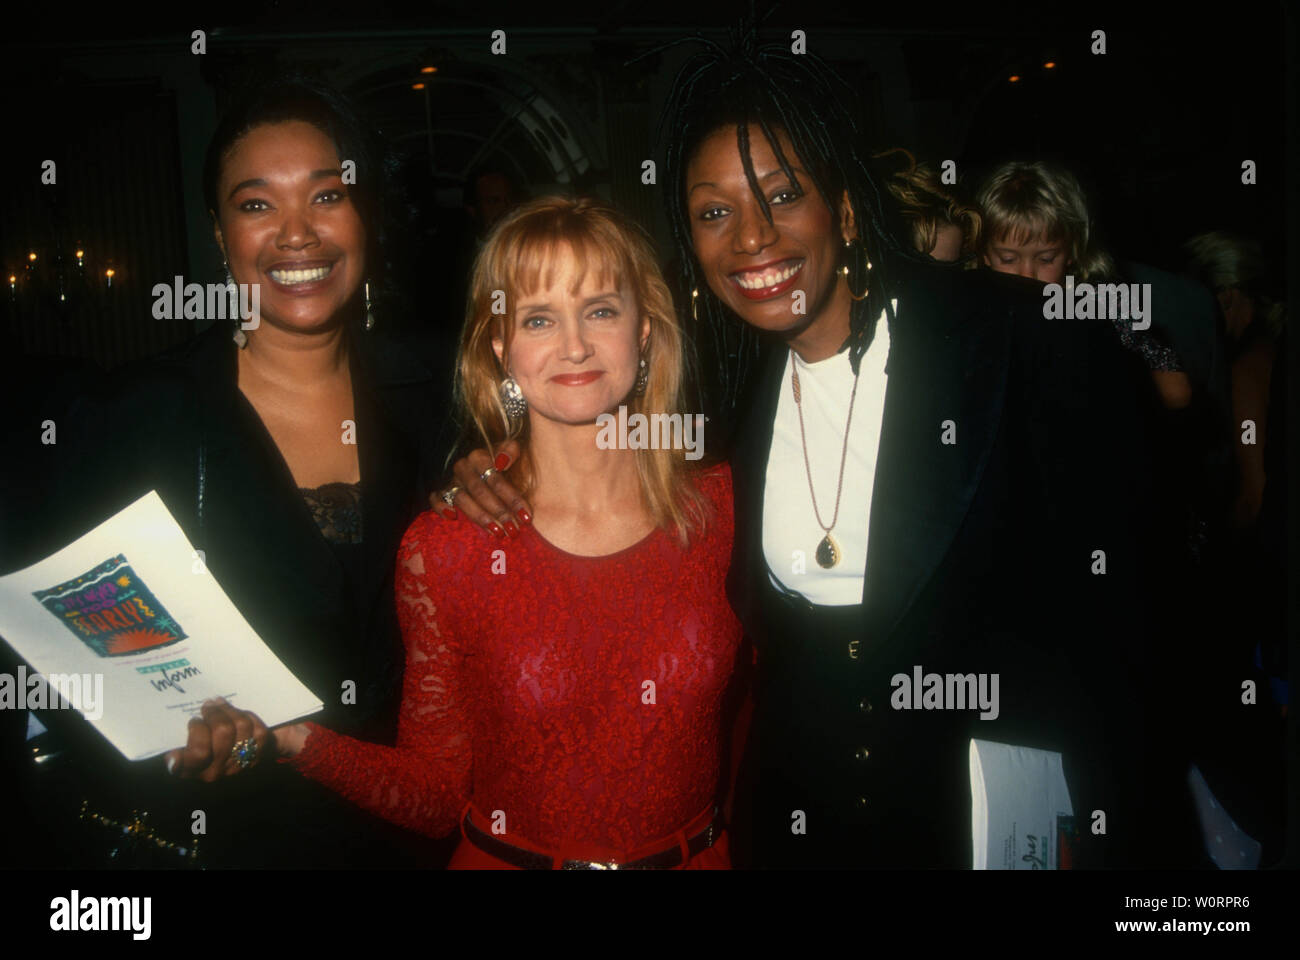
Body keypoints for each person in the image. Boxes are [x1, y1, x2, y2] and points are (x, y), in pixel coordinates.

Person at [442, 33, 1179, 868]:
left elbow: (1128, 623)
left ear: (849, 209)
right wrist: (488, 466)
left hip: (995, 834)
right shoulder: (719, 403)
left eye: (783, 195)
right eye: (714, 211)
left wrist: (1100, 819)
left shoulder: (1021, 339)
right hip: (795, 832)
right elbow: (591, 437)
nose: (751, 237)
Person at [179, 196, 743, 869]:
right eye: (539, 318)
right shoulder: (446, 550)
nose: (574, 345)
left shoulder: (723, 507)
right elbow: (437, 795)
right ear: (502, 347)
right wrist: (293, 741)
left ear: (644, 331)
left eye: (600, 309)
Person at [8, 76, 452, 868]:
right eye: (256, 205)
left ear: (367, 217)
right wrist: (161, 739)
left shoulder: (446, 398)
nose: (296, 234)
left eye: (326, 197)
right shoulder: (139, 415)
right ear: (218, 233)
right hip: (236, 838)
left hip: (409, 830)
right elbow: (53, 639)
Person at [975, 160, 1194, 411]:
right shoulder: (974, 305)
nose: (1027, 274)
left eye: (1046, 259)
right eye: (1008, 259)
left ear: (1073, 251)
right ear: (984, 254)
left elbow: (1177, 392)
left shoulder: (1102, 302)